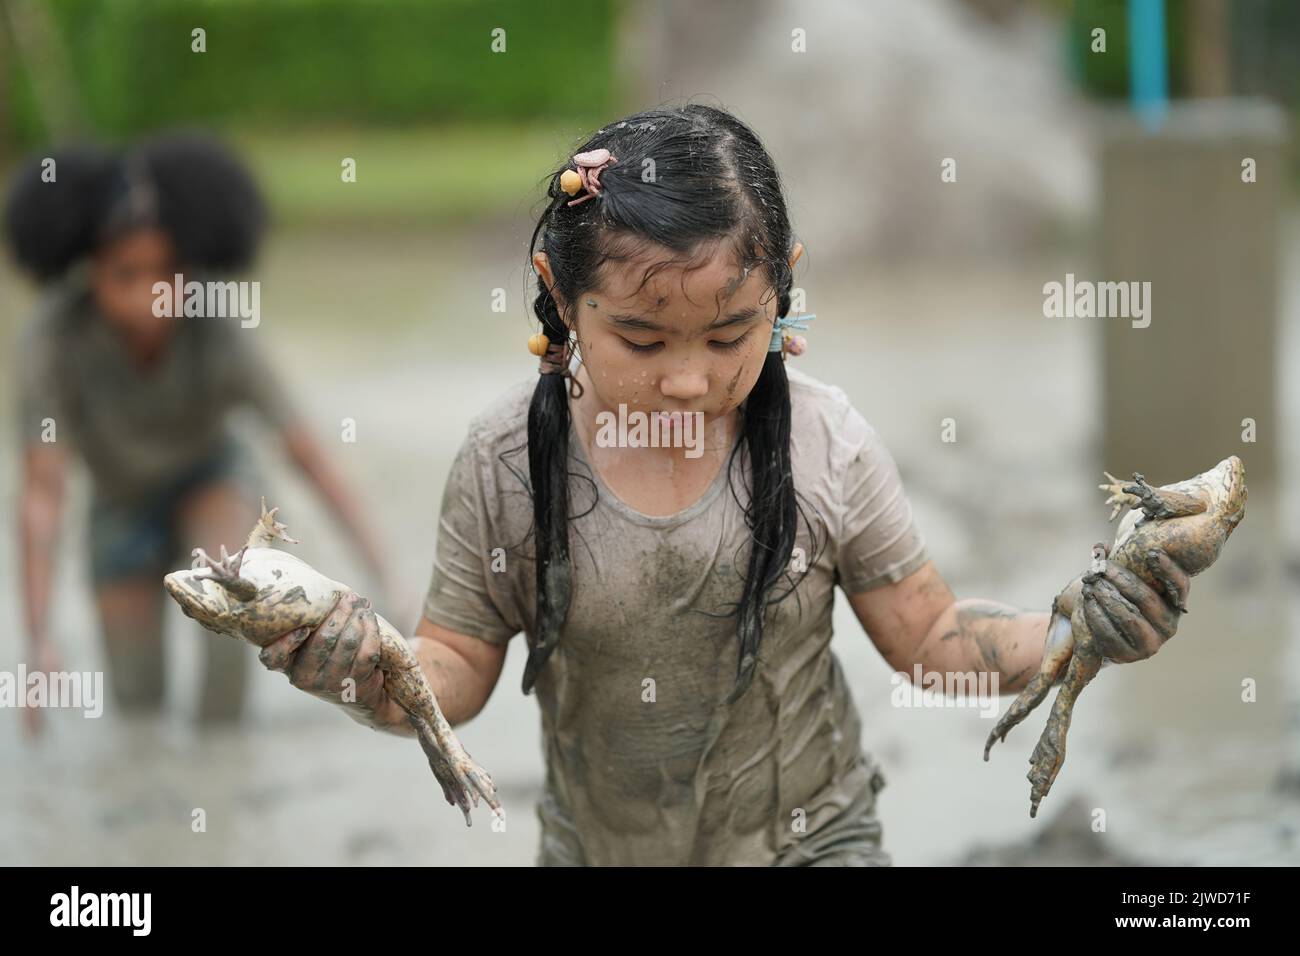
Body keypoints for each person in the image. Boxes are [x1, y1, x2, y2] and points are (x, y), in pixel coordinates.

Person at [255, 104, 1190, 865]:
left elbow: (930, 639)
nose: (691, 379)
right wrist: (358, 670)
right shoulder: (506, 460)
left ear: (785, 289)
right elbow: (452, 675)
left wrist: (1075, 630)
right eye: (642, 340)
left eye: (731, 334)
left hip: (813, 840)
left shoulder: (828, 444)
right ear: (557, 294)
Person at [6, 131, 390, 734]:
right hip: (119, 505)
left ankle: (223, 785)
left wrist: (382, 578)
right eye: (124, 274)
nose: (150, 298)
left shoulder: (216, 327)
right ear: (90, 272)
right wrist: (38, 643)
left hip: (211, 481)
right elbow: (42, 493)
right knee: (136, 705)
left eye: (166, 273)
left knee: (229, 625)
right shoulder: (54, 341)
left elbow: (305, 452)